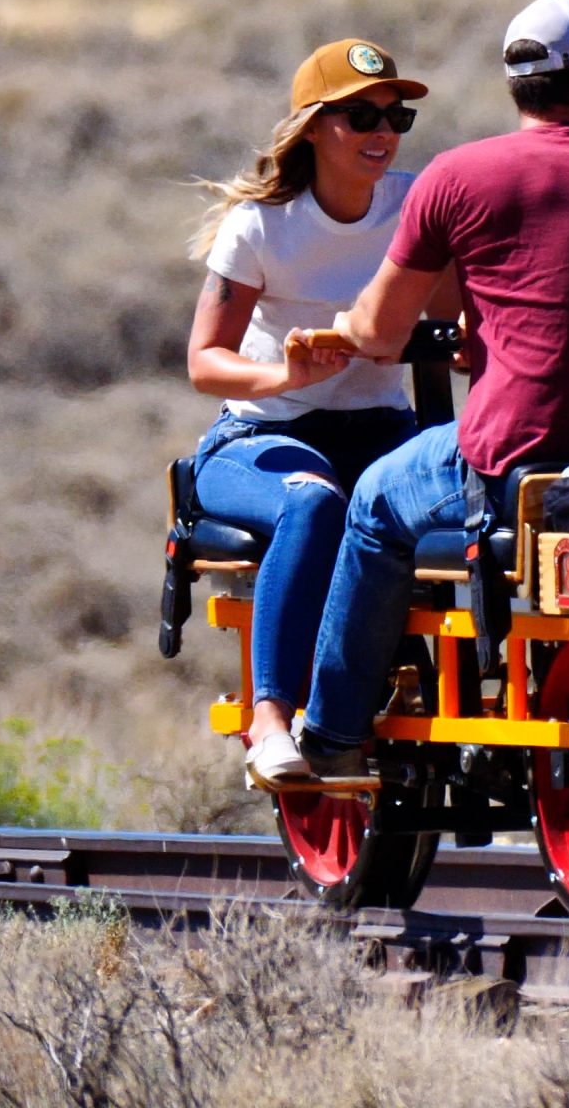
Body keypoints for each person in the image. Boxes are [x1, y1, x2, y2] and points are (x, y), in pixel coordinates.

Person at [294, 0, 569, 775]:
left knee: (374, 501)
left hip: (512, 458)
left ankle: (335, 734)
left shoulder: (457, 177)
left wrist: (344, 329)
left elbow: (380, 333)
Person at [183, 39, 440, 788]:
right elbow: (204, 362)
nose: (382, 132)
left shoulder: (414, 207)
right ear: (315, 127)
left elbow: (458, 320)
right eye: (362, 117)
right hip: (262, 436)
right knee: (314, 502)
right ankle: (270, 723)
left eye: (396, 117)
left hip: (380, 434)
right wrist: (284, 375)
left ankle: (434, 695)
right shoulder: (262, 226)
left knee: (473, 504)